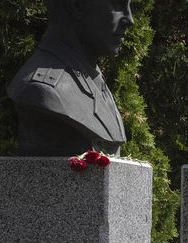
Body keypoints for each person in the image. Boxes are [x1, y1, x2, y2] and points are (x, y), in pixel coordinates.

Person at [7, 0, 134, 156]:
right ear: (76, 6)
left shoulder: (93, 78)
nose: (130, 20)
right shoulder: (42, 89)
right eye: (117, 5)